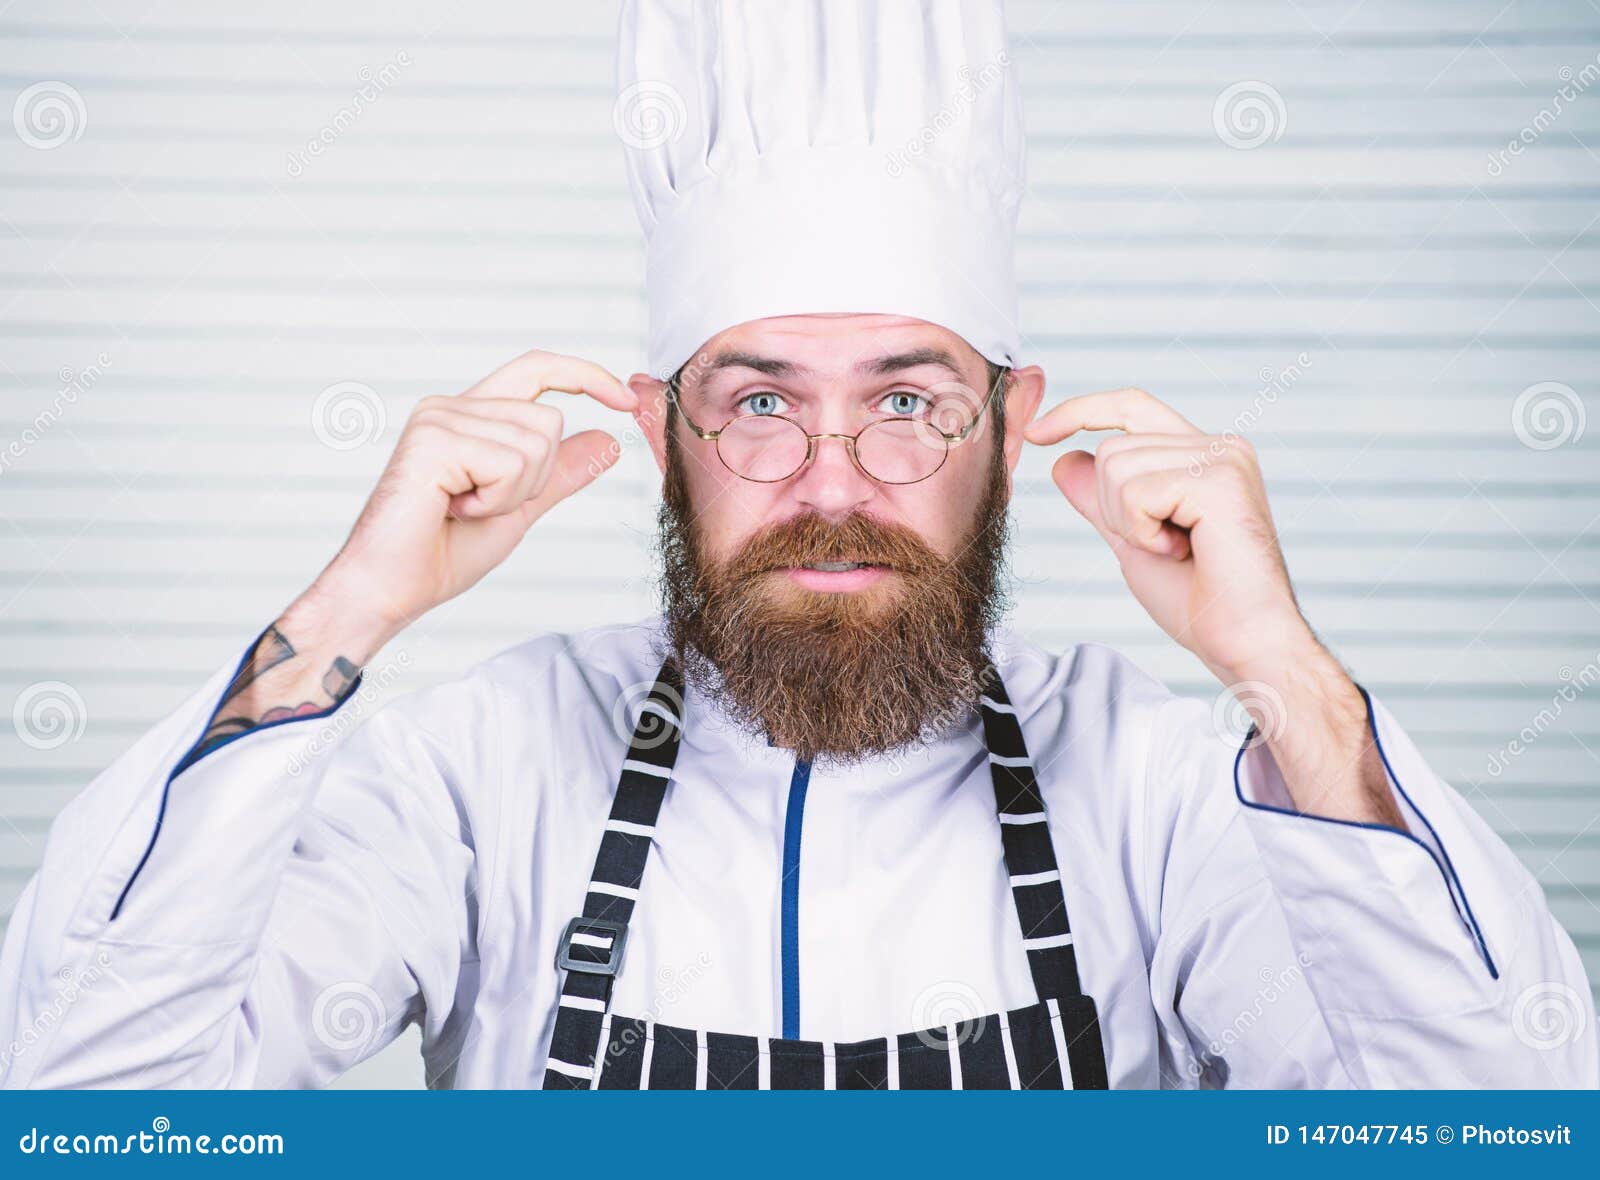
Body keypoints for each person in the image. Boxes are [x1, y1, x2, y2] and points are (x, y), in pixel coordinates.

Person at [1, 0, 1595, 1091]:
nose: (834, 482)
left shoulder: (1165, 788)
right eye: (760, 402)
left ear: (1017, 419)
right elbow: (92, 1103)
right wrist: (345, 610)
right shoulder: (482, 769)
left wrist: (1288, 680)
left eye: (907, 399)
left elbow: (1495, 1127)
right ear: (659, 426)